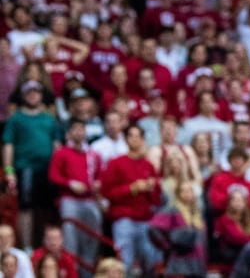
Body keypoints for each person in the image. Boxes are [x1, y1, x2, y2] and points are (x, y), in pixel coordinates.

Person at [2, 80, 62, 248]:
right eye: (29, 92)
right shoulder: (16, 119)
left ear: (41, 95)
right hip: (25, 168)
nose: (33, 95)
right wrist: (9, 170)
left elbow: (57, 145)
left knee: (49, 208)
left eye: (36, 92)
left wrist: (59, 170)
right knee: (25, 207)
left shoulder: (50, 119)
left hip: (49, 169)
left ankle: (49, 244)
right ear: (24, 96)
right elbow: (8, 145)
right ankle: (27, 246)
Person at [100, 124, 162, 277]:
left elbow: (156, 197)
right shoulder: (116, 163)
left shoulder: (148, 165)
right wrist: (132, 188)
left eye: (138, 136)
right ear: (126, 139)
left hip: (145, 218)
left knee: (150, 259)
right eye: (131, 136)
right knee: (124, 261)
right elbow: (107, 192)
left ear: (143, 140)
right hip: (123, 218)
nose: (135, 140)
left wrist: (151, 188)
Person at [48, 117, 104, 278]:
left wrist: (98, 183)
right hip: (69, 199)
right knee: (70, 238)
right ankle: (72, 273)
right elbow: (53, 175)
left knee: (92, 236)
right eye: (76, 129)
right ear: (69, 133)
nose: (79, 132)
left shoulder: (93, 154)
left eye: (82, 129)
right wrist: (70, 183)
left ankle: (87, 273)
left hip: (90, 199)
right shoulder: (62, 153)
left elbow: (100, 175)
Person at [147, 180, 208, 277]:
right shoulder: (173, 210)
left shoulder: (198, 213)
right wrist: (167, 246)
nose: (187, 193)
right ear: (178, 194)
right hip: (179, 265)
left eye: (190, 190)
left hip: (198, 265)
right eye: (183, 191)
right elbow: (153, 227)